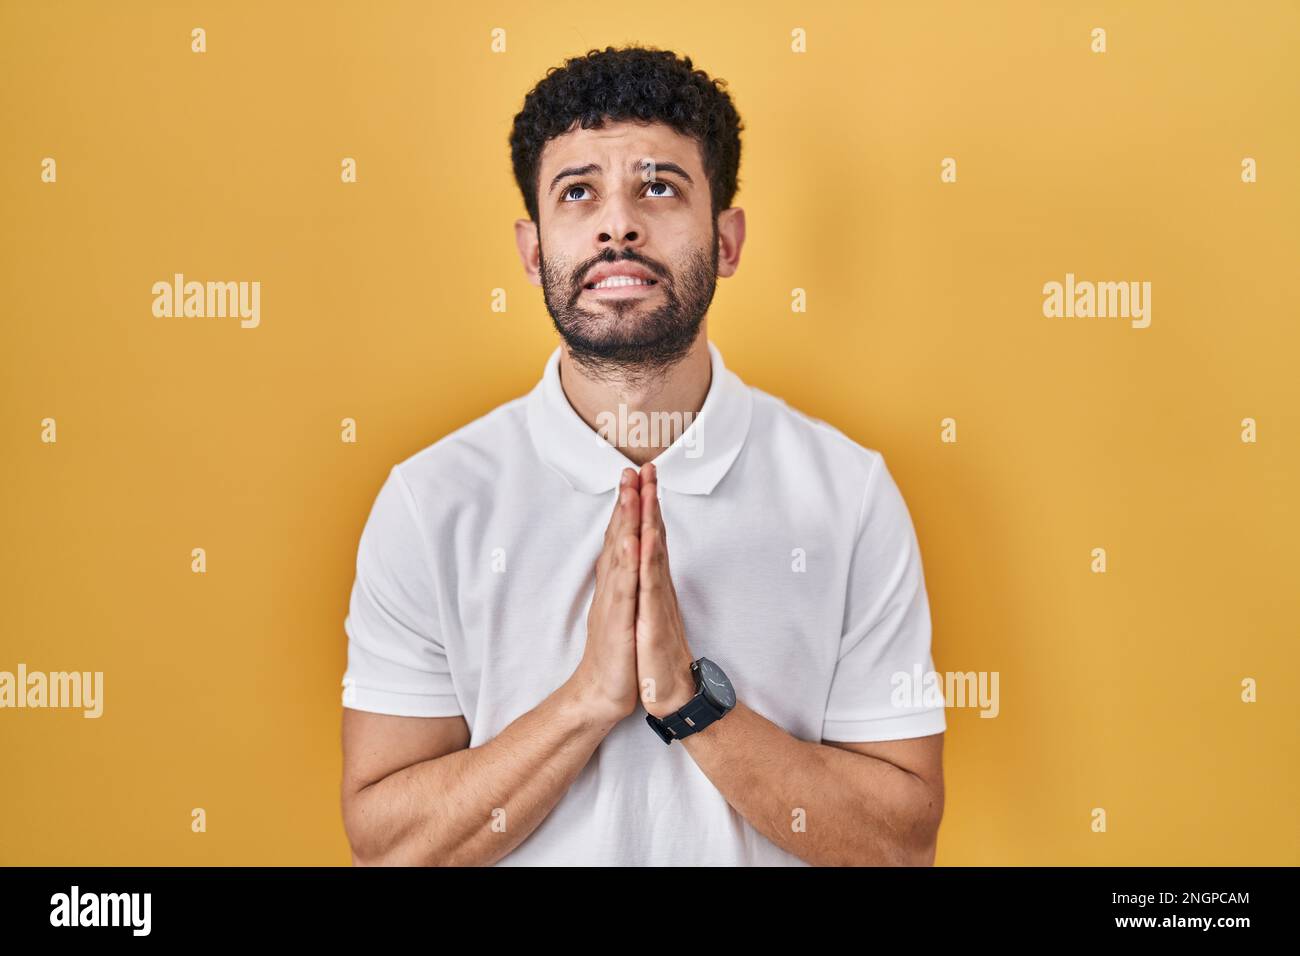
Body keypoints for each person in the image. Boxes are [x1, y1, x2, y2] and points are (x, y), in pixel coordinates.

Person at [339, 45, 945, 866]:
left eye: (659, 187)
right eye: (578, 191)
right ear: (532, 250)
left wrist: (690, 701)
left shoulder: (848, 494)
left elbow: (901, 846)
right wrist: (588, 700)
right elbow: (390, 851)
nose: (617, 223)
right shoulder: (430, 501)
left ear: (727, 241)